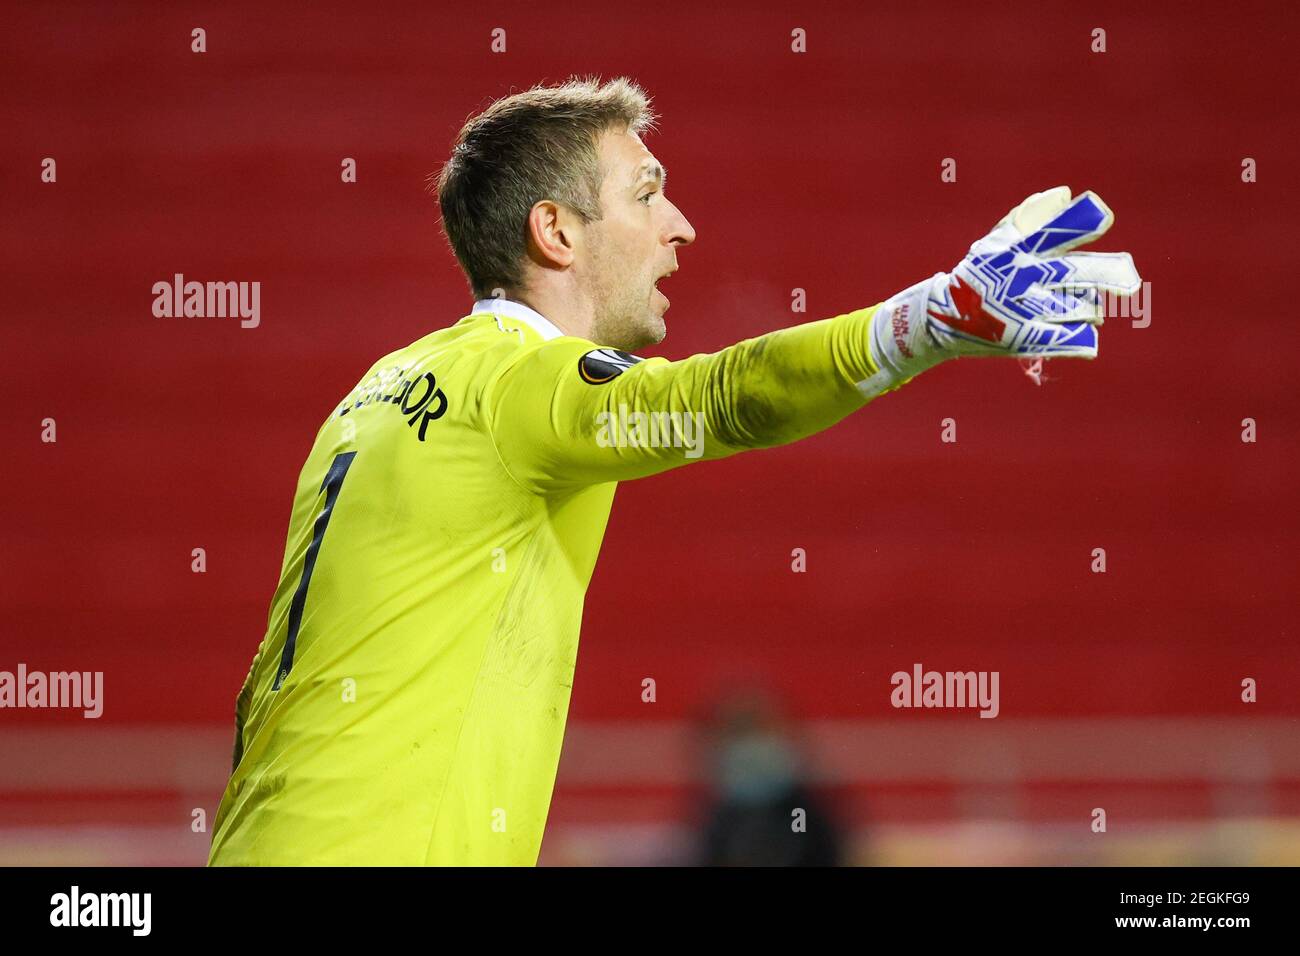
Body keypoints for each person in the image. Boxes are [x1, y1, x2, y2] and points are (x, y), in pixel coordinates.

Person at [208, 75, 1141, 865]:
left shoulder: (373, 395)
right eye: (646, 195)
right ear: (556, 232)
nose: (682, 227)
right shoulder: (520, 386)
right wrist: (929, 319)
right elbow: (728, 396)